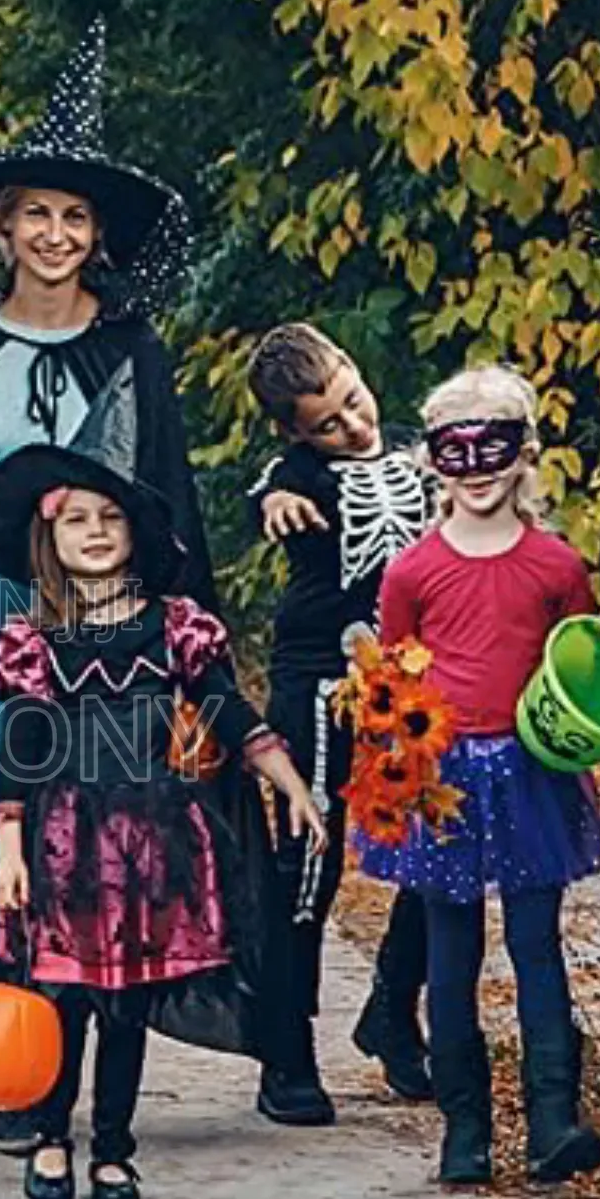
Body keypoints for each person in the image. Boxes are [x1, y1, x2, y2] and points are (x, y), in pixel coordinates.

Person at [0, 22, 220, 1159]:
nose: (55, 233)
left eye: (75, 217)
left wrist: (190, 662)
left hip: (108, 649)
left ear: (95, 234)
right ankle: (19, 1070)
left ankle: (93, 1086)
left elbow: (166, 510)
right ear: (4, 225)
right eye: (35, 213)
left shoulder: (134, 352)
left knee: (107, 861)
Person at [0, 364, 326, 1199]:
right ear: (48, 540)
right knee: (63, 996)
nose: (95, 532)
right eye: (78, 521)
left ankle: (115, 1150)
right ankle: (53, 1135)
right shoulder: (36, 639)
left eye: (110, 519)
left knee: (126, 1003)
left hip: (153, 840)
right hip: (65, 840)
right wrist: (9, 853)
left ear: (135, 532)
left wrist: (289, 777)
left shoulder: (174, 627)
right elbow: (18, 750)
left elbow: (224, 708)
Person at [358, 366, 600, 1185]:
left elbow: (576, 666)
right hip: (443, 776)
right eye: (457, 447)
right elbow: (394, 681)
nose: (477, 465)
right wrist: (395, 776)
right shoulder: (411, 572)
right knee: (451, 952)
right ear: (433, 461)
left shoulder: (556, 566)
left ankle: (553, 1121)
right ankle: (465, 1131)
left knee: (534, 944)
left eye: (495, 445)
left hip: (530, 774)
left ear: (524, 455)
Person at [245, 323, 433, 1125]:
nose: (353, 427)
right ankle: (286, 1052)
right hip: (318, 682)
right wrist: (276, 499)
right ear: (295, 431)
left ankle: (393, 1006)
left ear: (359, 370)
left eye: (354, 403)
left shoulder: (416, 451)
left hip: (415, 680)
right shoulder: (295, 474)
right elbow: (268, 491)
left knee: (441, 855)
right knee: (309, 863)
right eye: (327, 423)